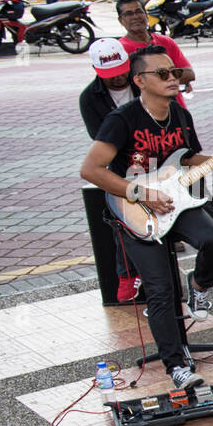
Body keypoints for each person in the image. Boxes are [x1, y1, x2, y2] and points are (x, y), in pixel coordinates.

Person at [79, 46, 213, 390]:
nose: (173, 79)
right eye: (162, 74)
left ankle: (198, 286)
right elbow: (90, 170)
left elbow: (187, 158)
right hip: (135, 208)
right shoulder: (121, 120)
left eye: (174, 73)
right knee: (160, 291)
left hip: (177, 199)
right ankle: (177, 366)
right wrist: (140, 193)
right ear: (139, 80)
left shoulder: (180, 115)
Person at [79, 38, 141, 304]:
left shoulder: (143, 80)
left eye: (121, 71)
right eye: (109, 75)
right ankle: (127, 275)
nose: (117, 78)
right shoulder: (89, 98)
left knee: (204, 210)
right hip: (121, 164)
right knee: (122, 217)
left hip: (161, 156)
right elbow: (101, 139)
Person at [115, 0, 195, 101]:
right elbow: (123, 85)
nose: (135, 17)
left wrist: (152, 79)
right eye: (128, 14)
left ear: (146, 15)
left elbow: (189, 74)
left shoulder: (166, 42)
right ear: (121, 20)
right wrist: (175, 76)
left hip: (176, 108)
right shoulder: (119, 50)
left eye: (139, 11)